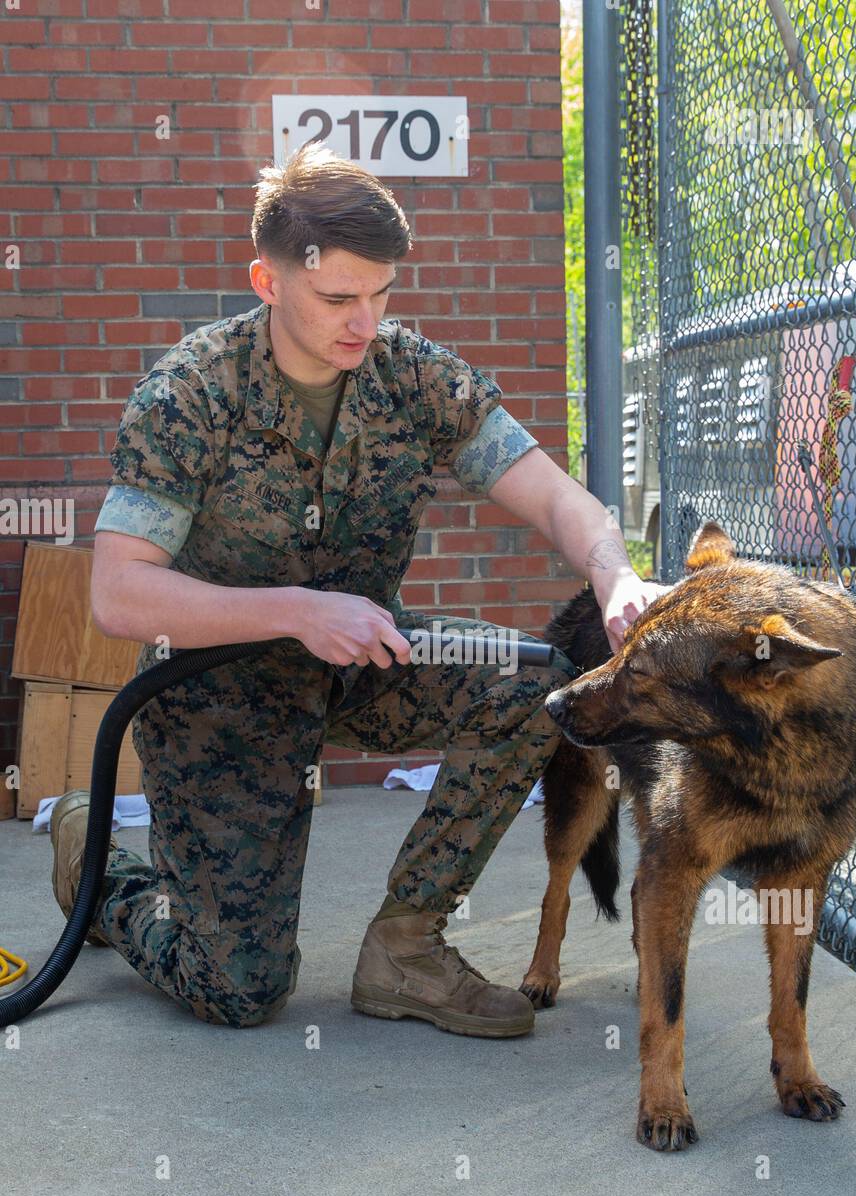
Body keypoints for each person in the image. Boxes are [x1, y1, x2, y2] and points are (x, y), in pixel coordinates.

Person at [50, 144, 663, 1039]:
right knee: (241, 989)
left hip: (364, 660)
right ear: (267, 280)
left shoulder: (411, 376)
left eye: (380, 294)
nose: (364, 322)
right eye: (338, 299)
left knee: (539, 686)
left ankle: (406, 949)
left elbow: (554, 496)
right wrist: (296, 610)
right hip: (218, 696)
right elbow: (119, 594)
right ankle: (103, 876)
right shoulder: (190, 393)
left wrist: (614, 574)